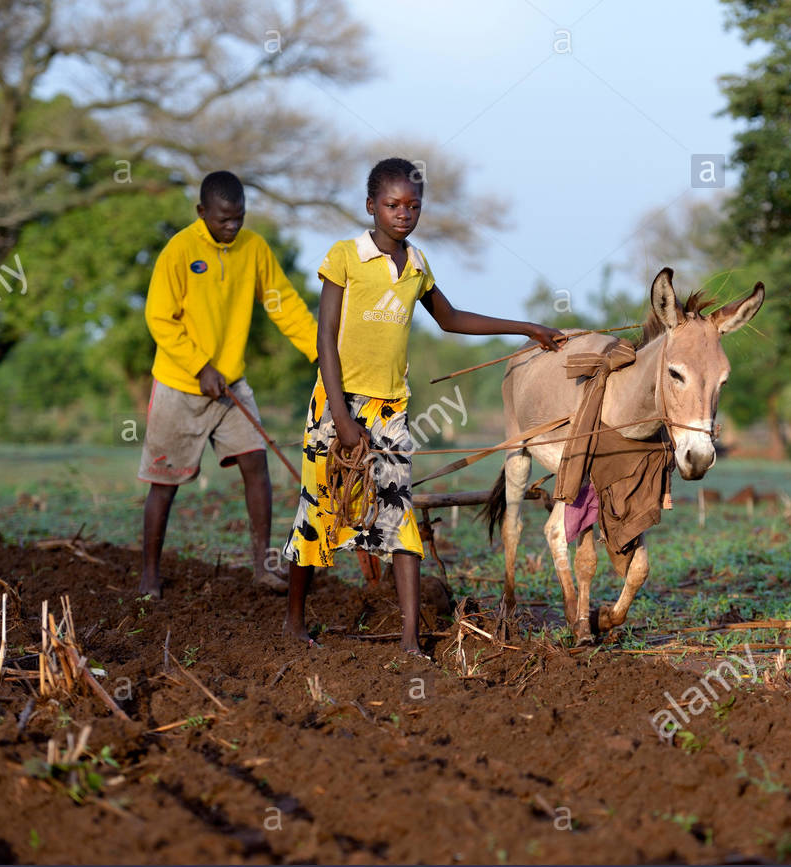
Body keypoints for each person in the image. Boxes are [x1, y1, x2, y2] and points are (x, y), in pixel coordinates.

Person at [283, 157, 563, 655]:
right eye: (392, 205)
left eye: (413, 206)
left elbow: (450, 318)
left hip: (391, 409)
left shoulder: (416, 266)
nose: (403, 214)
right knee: (320, 510)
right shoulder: (345, 256)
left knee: (398, 516)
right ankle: (293, 622)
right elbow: (325, 338)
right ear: (371, 206)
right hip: (336, 403)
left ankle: (411, 642)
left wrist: (526, 328)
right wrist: (343, 421)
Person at [138, 170, 318, 598]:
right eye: (223, 219)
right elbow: (159, 318)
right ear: (202, 212)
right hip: (180, 384)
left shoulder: (254, 250)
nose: (232, 226)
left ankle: (262, 566)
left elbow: (284, 305)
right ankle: (149, 575)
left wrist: (320, 354)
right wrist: (200, 367)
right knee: (164, 483)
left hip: (231, 385)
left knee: (257, 464)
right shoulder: (179, 251)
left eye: (238, 218)